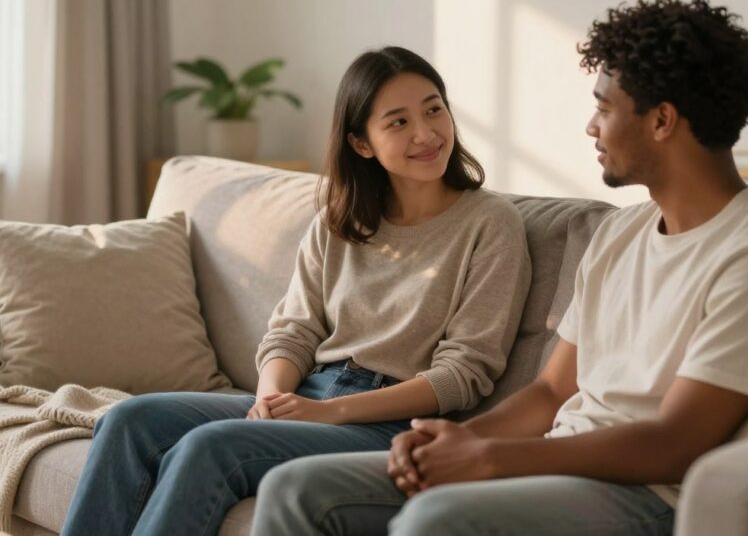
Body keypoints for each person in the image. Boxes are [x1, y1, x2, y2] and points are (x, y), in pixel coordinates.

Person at [250, 0, 748, 536]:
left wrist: (490, 457)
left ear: (662, 121)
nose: (591, 126)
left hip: (646, 493)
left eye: (604, 108)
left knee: (436, 518)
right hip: (554, 459)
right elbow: (553, 390)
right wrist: (450, 441)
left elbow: (673, 443)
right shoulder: (622, 232)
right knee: (294, 487)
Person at [59, 46, 532, 536]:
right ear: (362, 143)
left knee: (211, 447)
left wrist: (330, 413)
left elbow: (464, 374)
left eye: (434, 109)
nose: (426, 133)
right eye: (398, 122)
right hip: (310, 392)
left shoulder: (491, 223)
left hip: (392, 420)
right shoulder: (340, 219)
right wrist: (269, 400)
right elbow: (294, 330)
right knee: (129, 420)